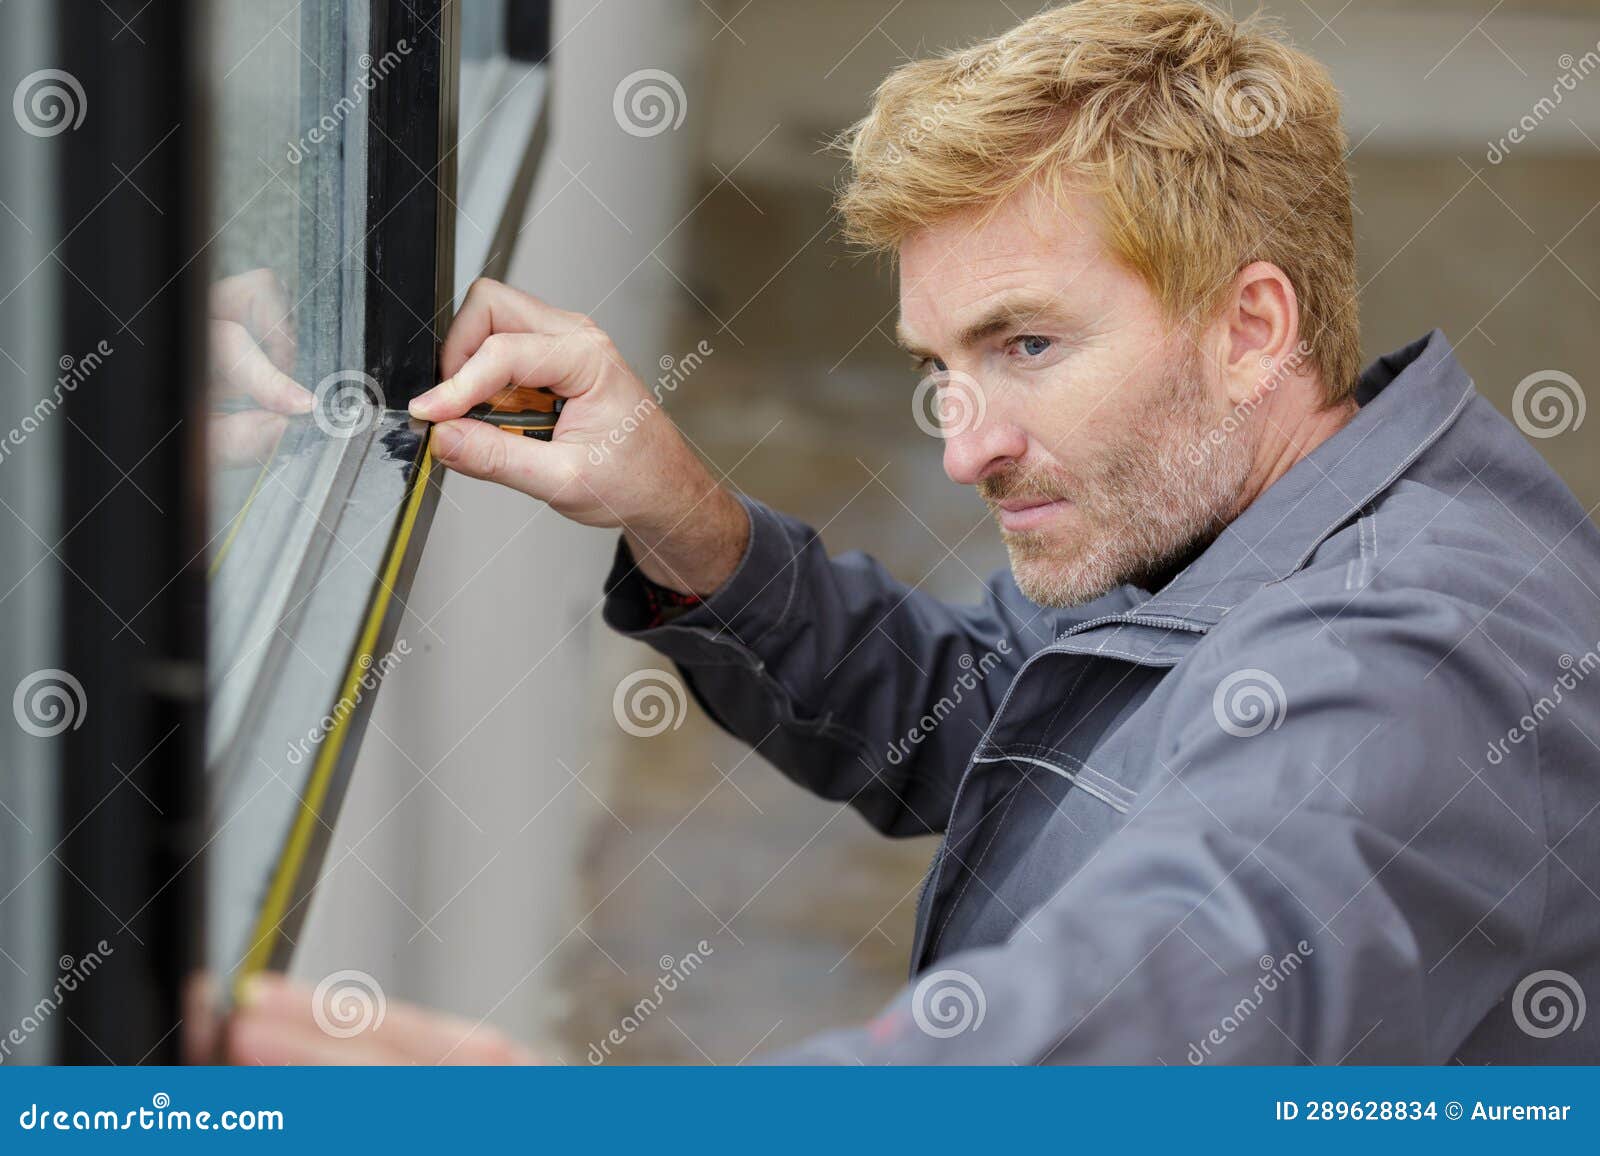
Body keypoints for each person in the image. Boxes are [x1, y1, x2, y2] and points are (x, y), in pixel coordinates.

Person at [226, 0, 1600, 1064]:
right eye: (944, 364)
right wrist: (679, 511)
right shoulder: (1214, 517)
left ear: (1252, 328)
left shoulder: (1415, 658)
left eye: (1029, 344)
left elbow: (1127, 1040)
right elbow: (988, 715)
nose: (965, 446)